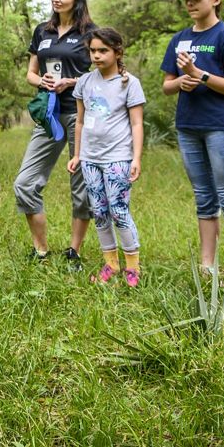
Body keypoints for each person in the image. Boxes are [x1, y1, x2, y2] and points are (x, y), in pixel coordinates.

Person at [161, 0, 224, 281]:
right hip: (188, 126)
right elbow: (166, 86)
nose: (190, 2)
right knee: (204, 197)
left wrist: (198, 74)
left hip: (221, 127)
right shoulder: (179, 39)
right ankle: (207, 265)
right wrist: (180, 82)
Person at [13, 0, 96, 270]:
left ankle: (74, 251)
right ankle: (41, 250)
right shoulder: (42, 31)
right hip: (47, 114)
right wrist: (44, 81)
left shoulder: (89, 32)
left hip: (80, 114)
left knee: (81, 185)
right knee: (24, 183)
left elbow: (101, 72)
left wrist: (71, 81)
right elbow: (30, 73)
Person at [67, 27, 146, 287]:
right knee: (99, 211)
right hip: (90, 158)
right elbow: (79, 121)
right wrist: (77, 155)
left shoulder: (128, 83)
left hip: (118, 157)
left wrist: (135, 158)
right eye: (93, 51)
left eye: (103, 50)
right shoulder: (84, 82)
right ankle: (110, 263)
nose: (97, 56)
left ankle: (132, 267)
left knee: (118, 210)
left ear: (117, 52)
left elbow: (136, 124)